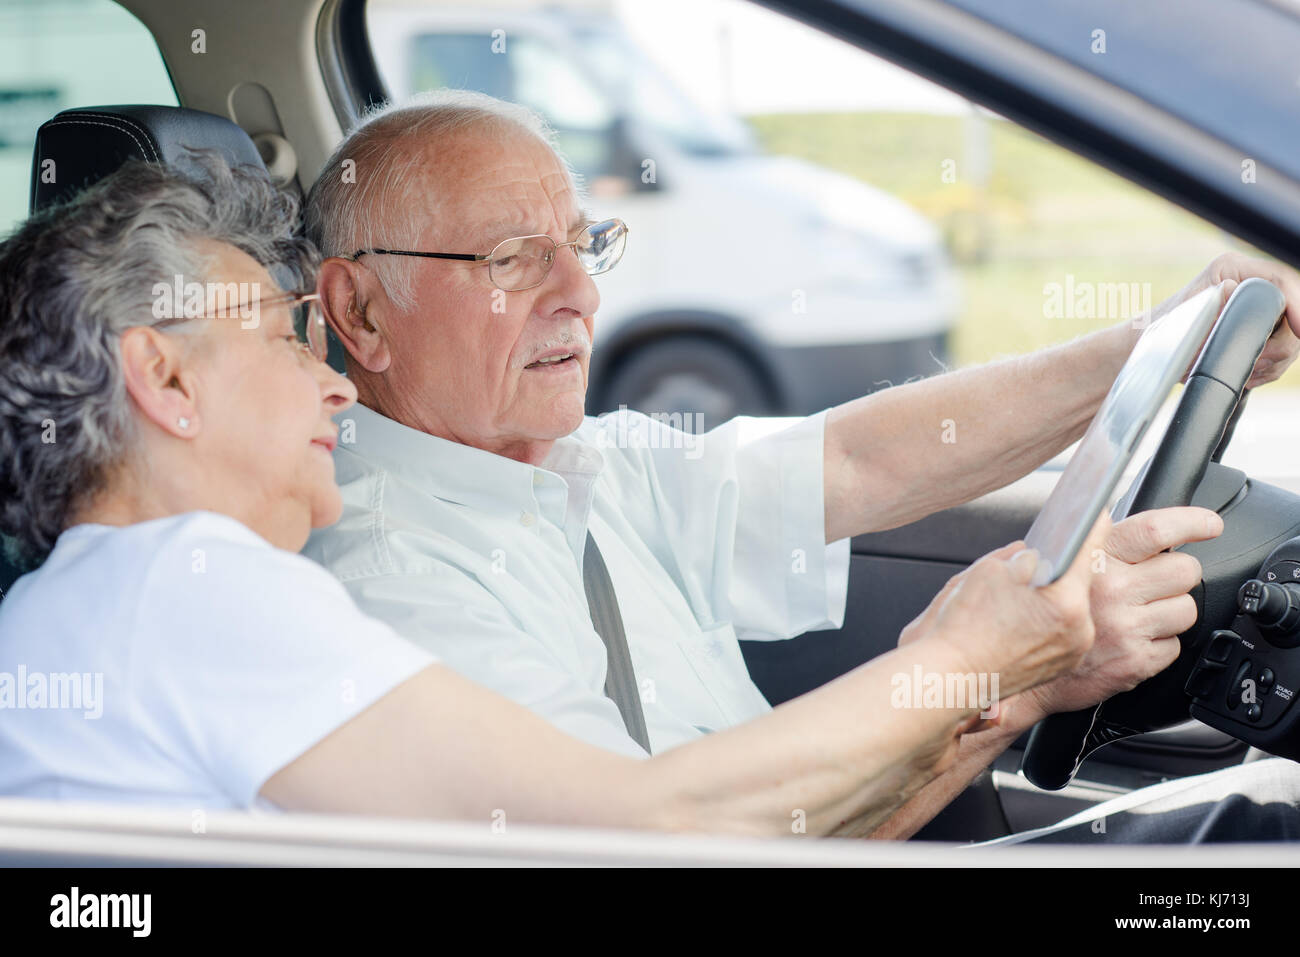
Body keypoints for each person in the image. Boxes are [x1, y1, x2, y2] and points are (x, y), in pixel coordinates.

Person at [0, 153, 1105, 836]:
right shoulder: (191, 593)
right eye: (285, 343)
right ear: (165, 379)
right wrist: (967, 666)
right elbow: (648, 829)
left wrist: (985, 684)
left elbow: (858, 460)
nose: (330, 375)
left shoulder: (113, 608)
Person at [300, 90, 1300, 841]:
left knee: (1253, 824)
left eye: (580, 244)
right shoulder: (391, 586)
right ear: (361, 314)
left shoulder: (578, 463)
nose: (581, 296)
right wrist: (997, 677)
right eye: (513, 259)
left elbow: (861, 459)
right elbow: (674, 852)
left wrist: (1154, 344)